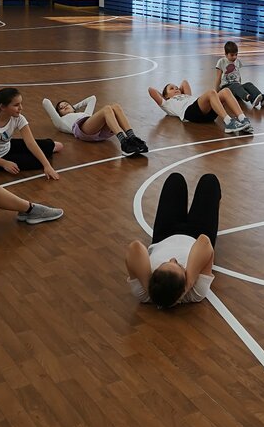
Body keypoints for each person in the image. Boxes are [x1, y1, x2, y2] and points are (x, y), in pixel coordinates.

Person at [125, 172, 220, 308]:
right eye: (180, 266)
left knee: (175, 180)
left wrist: (150, 289)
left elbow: (135, 248)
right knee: (210, 181)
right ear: (184, 289)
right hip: (197, 233)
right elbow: (204, 241)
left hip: (164, 234)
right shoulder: (196, 293)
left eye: (163, 264)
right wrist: (189, 282)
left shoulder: (143, 294)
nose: (173, 259)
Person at [0, 88, 62, 178]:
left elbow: (30, 143)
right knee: (38, 162)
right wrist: (4, 163)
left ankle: (47, 151)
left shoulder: (19, 118)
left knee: (55, 146)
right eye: (16, 105)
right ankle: (43, 154)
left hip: (8, 145)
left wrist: (47, 166)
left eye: (21, 103)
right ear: (3, 107)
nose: (21, 108)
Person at [42, 95, 148, 156]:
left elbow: (92, 98)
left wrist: (74, 108)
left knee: (115, 106)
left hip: (96, 129)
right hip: (82, 130)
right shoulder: (60, 121)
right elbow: (45, 102)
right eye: (61, 108)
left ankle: (132, 138)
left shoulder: (86, 114)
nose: (64, 106)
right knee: (107, 109)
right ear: (58, 113)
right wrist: (70, 109)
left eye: (66, 104)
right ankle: (124, 144)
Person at [148, 80, 253, 135]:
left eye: (176, 87)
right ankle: (229, 122)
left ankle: (243, 119)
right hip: (190, 113)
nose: (176, 89)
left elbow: (184, 82)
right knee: (211, 92)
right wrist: (164, 96)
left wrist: (177, 90)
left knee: (226, 91)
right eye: (172, 88)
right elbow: (151, 90)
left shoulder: (186, 95)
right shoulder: (167, 103)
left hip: (205, 111)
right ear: (166, 96)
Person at [215, 41, 264, 109]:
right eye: (232, 55)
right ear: (226, 54)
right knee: (236, 85)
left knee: (248, 84)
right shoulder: (221, 61)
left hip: (236, 87)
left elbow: (238, 75)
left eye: (236, 54)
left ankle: (262, 98)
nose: (234, 57)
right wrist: (217, 94)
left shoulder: (237, 62)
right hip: (226, 89)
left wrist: (241, 87)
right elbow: (218, 77)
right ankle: (250, 98)